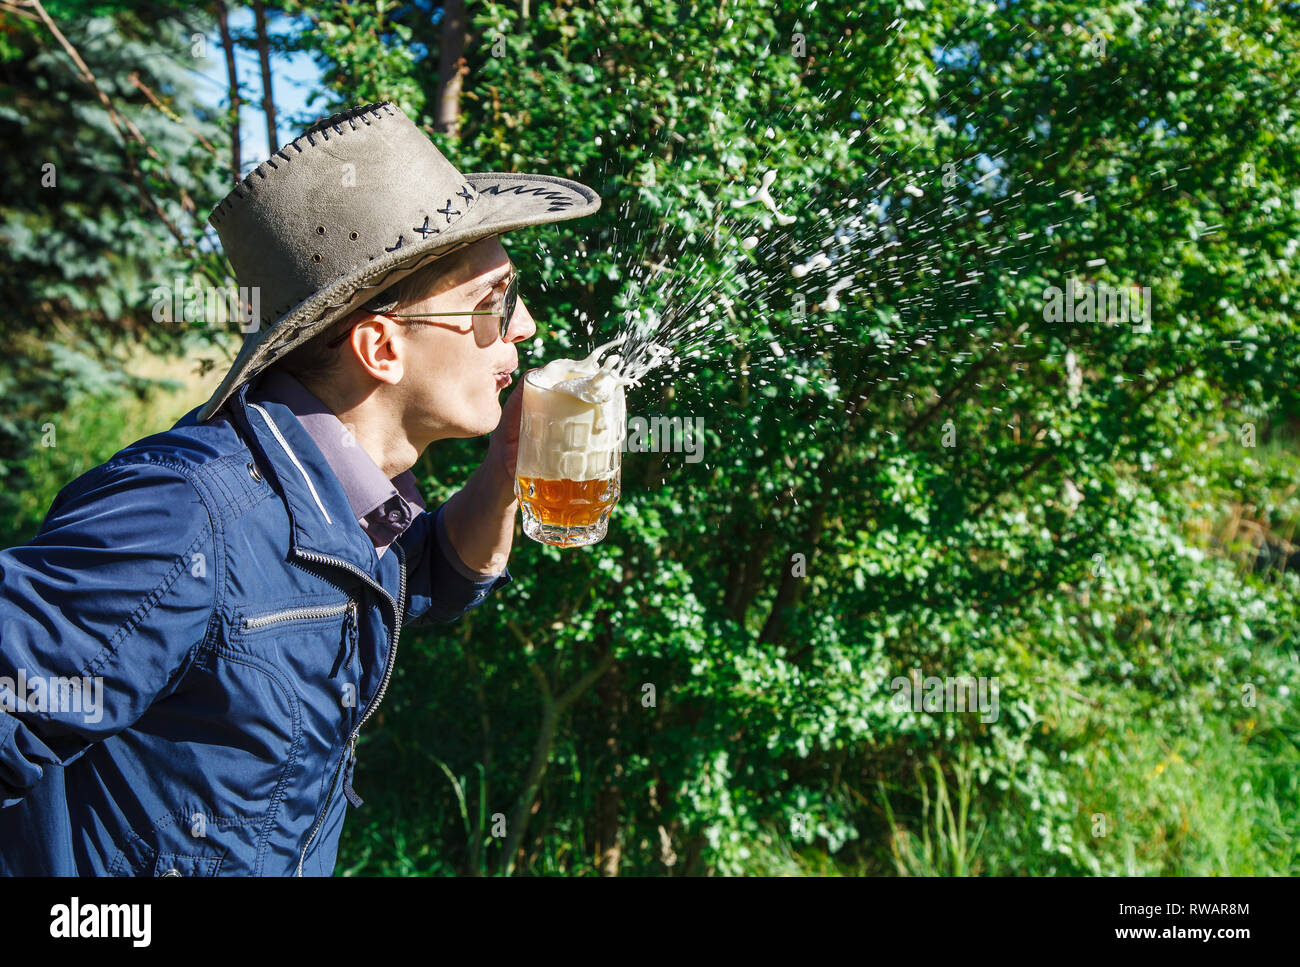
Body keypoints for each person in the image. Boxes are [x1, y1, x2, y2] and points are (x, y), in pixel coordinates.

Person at [0, 101, 601, 875]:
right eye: (493, 303)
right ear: (380, 346)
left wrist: (511, 468)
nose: (523, 326)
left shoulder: (346, 489)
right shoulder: (185, 519)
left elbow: (422, 578)